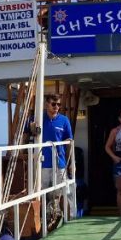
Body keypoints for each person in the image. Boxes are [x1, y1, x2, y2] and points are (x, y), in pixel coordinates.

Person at [34, 94, 75, 226]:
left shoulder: (64, 120)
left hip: (60, 163)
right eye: (53, 104)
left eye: (58, 105)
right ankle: (44, 222)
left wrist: (71, 163)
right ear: (47, 104)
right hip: (43, 163)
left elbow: (69, 141)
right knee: (44, 193)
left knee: (63, 193)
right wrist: (32, 127)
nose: (56, 107)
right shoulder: (39, 119)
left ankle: (69, 221)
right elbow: (29, 130)